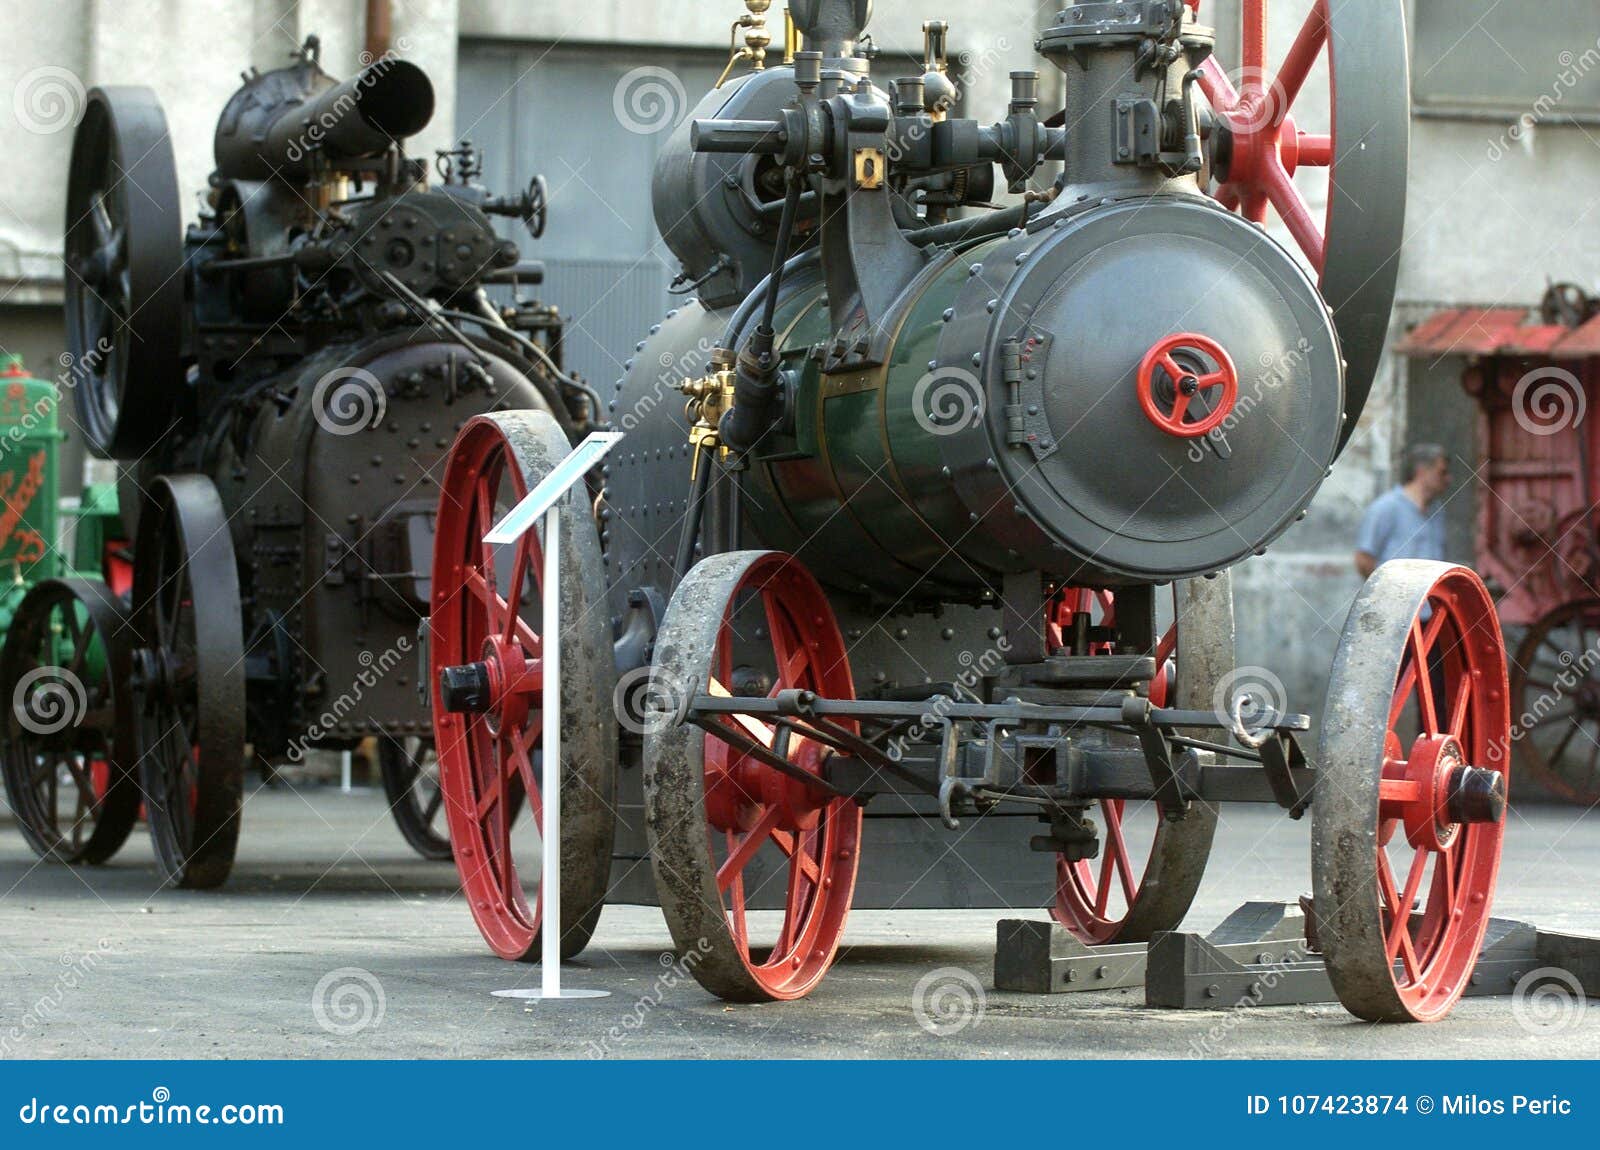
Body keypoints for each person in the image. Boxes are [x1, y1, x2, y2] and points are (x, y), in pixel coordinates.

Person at [1353, 443, 1451, 579]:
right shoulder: (1386, 507)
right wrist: (1386, 591)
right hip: (1394, 598)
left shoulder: (1437, 512)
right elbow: (1363, 560)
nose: (1448, 479)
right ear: (1422, 471)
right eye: (1442, 472)